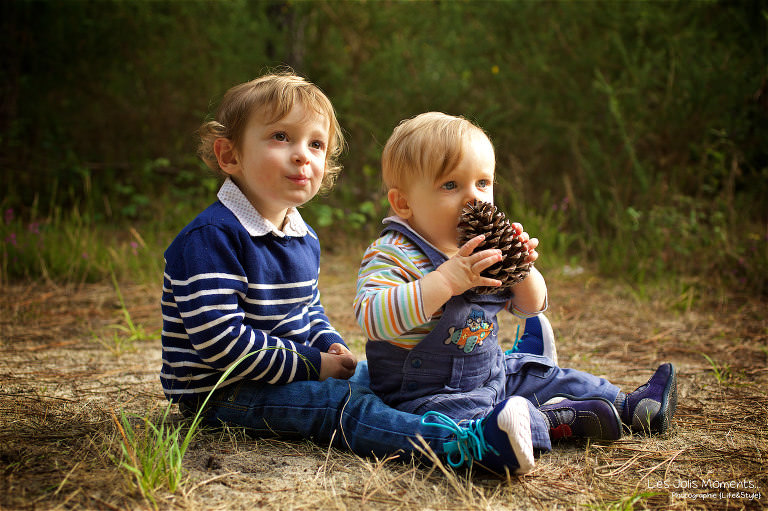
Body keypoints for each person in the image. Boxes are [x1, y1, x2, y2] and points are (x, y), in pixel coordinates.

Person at [159, 72, 547, 476]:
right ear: (229, 156)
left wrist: (330, 345)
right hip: (224, 393)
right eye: (280, 137)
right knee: (345, 407)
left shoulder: (301, 235)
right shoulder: (212, 238)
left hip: (283, 370)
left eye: (315, 144)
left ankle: (503, 406)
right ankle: (465, 444)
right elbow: (220, 343)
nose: (301, 154)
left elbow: (306, 310)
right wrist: (314, 364)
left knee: (371, 379)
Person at [354, 112, 678, 473]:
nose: (472, 199)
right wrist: (445, 281)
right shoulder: (393, 252)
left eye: (482, 183)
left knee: (535, 371)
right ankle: (553, 421)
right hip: (426, 396)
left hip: (490, 375)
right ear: (403, 204)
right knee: (469, 425)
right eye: (450, 186)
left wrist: (523, 269)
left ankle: (629, 405)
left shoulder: (484, 249)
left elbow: (530, 307)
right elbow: (373, 318)